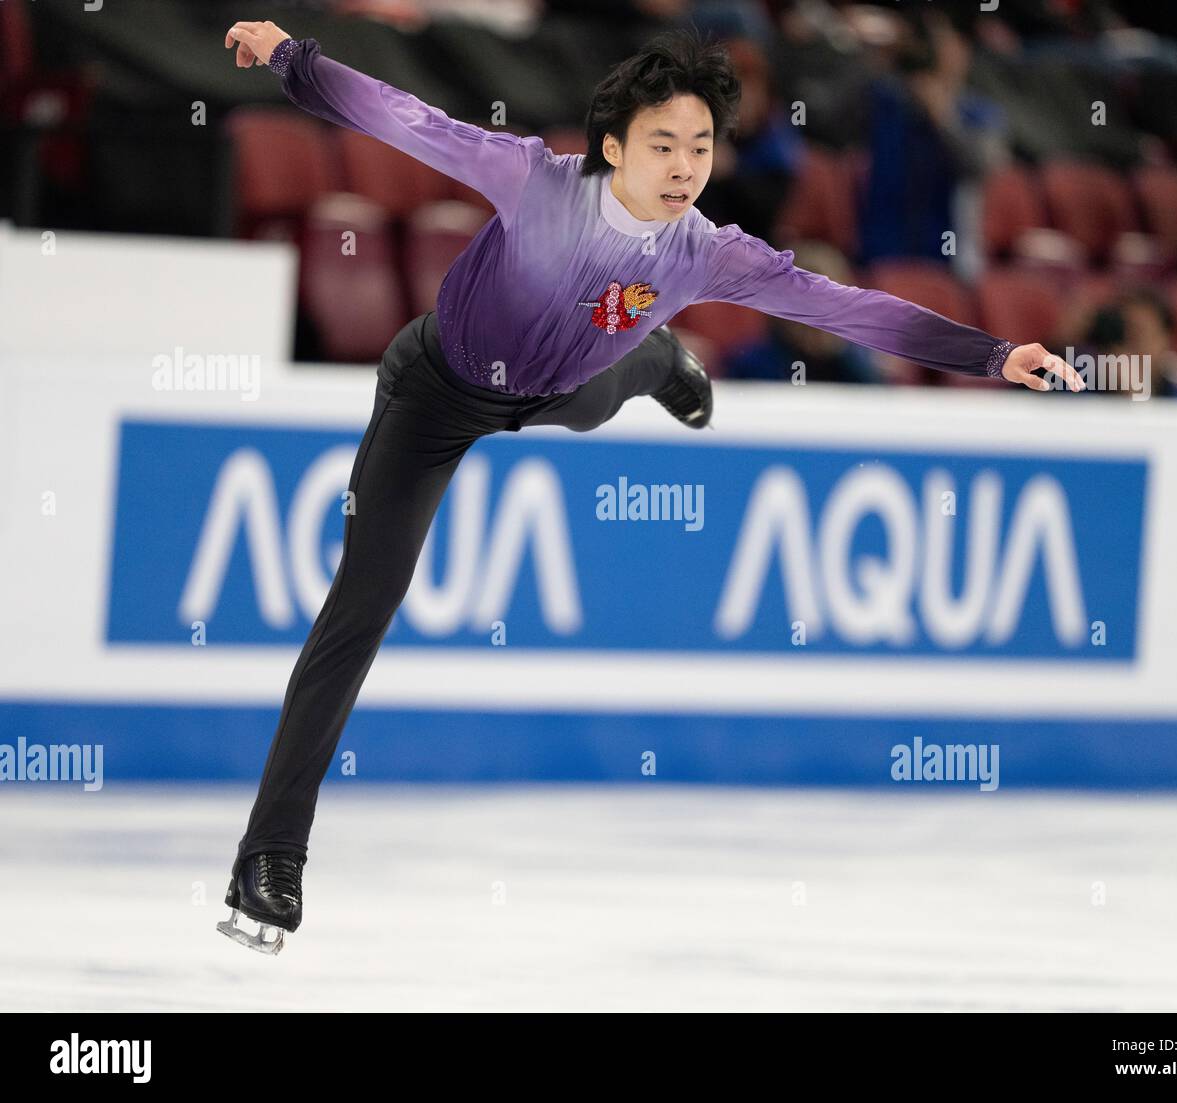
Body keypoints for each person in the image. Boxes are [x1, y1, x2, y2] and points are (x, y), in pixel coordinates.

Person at [217, 18, 1082, 955]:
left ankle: (656, 357)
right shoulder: (533, 180)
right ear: (615, 146)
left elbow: (847, 307)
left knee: (598, 391)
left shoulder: (706, 250)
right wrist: (290, 58)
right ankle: (271, 857)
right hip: (435, 395)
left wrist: (992, 351)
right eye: (664, 144)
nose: (684, 166)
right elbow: (401, 117)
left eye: (702, 146)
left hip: (566, 384)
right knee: (361, 608)